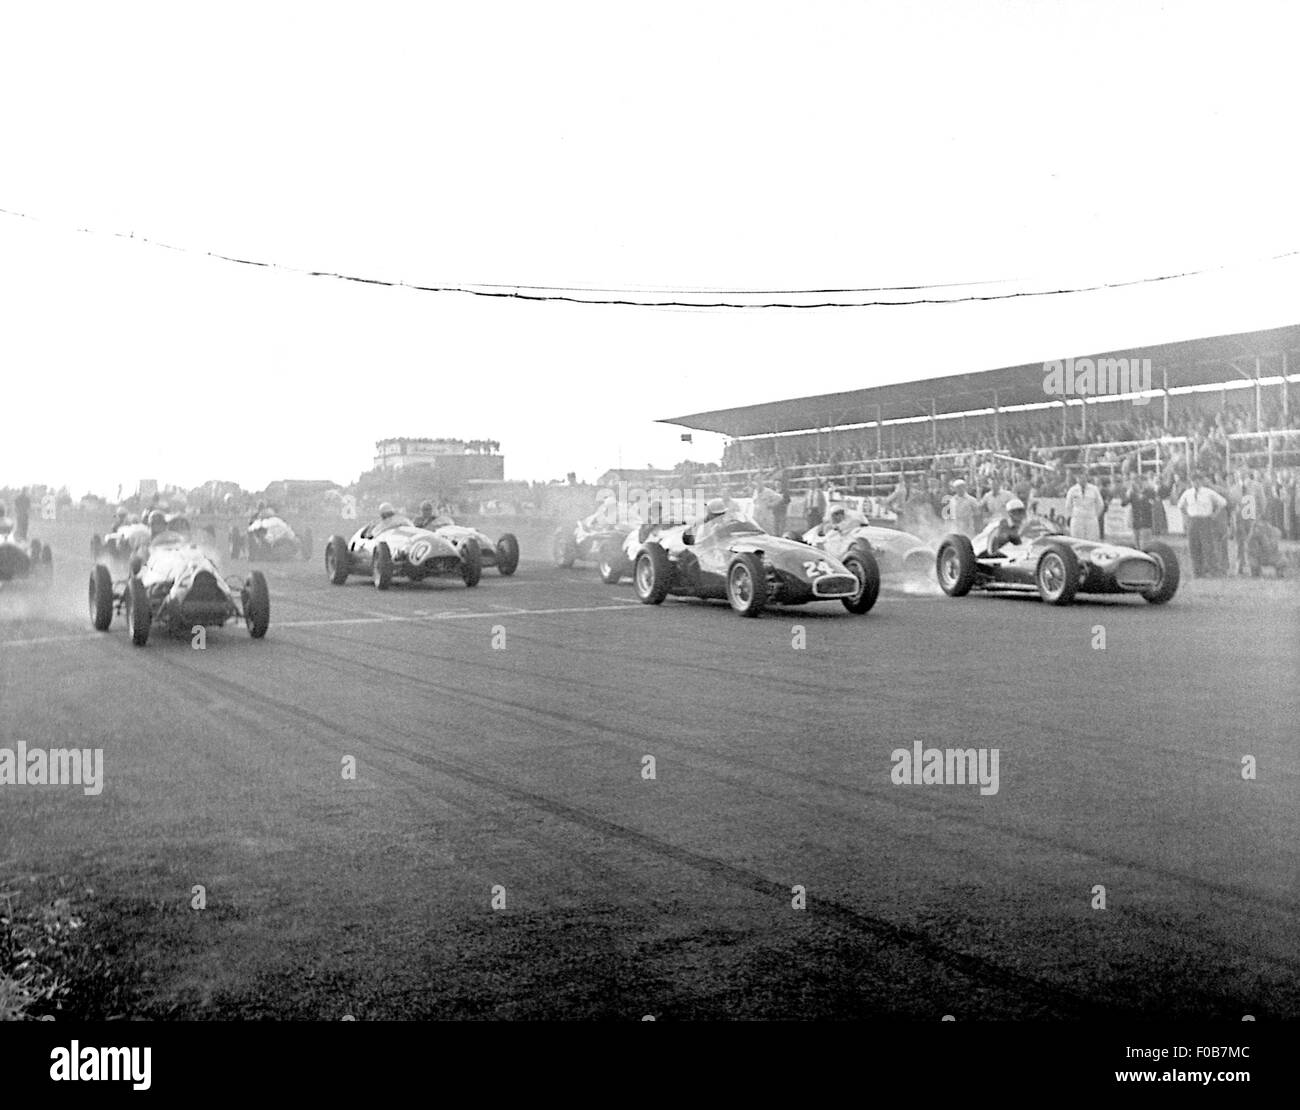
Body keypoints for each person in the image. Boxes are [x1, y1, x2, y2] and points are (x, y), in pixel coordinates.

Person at [1176, 473, 1227, 578]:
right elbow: (1180, 505)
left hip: (1205, 520)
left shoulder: (1208, 492)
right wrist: (1187, 516)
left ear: (1202, 481)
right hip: (1193, 520)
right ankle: (1197, 571)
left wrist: (1214, 514)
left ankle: (1212, 570)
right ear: (1191, 482)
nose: (1196, 483)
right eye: (1193, 481)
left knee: (1207, 546)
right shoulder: (1188, 493)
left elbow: (1222, 502)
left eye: (1198, 480)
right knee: (1194, 546)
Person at [1064, 470, 1103, 541]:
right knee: (1077, 540)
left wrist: (1094, 516)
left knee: (1092, 540)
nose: (1081, 479)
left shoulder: (1094, 489)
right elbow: (1068, 506)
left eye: (1083, 477)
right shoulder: (1072, 490)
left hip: (1090, 519)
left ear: (1087, 477)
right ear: (1076, 478)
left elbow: (1100, 505)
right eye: (1079, 477)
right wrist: (1073, 515)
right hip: (1077, 519)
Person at [1121, 476, 1156, 550]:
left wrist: (1144, 498)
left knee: (1146, 542)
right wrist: (1127, 494)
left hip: (1146, 520)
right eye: (1137, 483)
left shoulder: (1150, 492)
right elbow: (1123, 504)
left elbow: (1152, 503)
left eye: (1142, 483)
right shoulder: (1132, 493)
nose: (1140, 485)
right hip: (1136, 520)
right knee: (1136, 541)